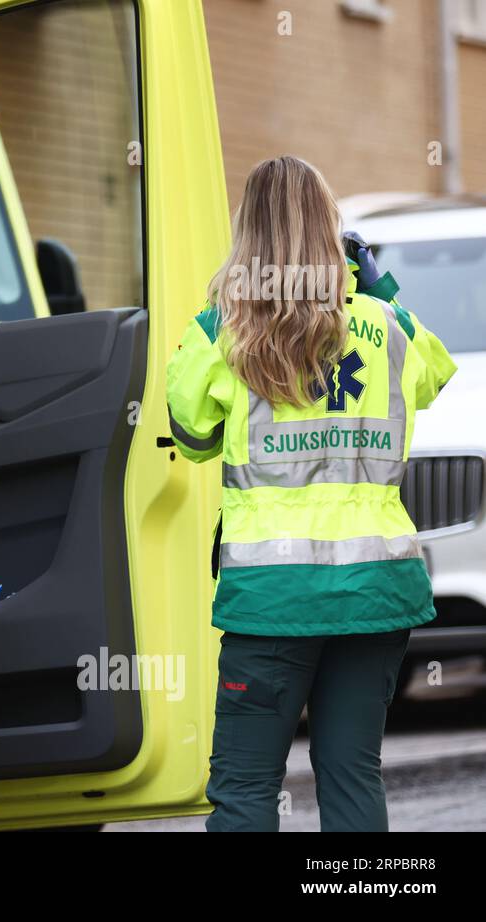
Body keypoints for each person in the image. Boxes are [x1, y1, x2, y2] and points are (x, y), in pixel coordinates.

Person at [167, 156, 457, 832]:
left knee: (244, 791)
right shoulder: (384, 326)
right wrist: (380, 284)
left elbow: (191, 434)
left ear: (249, 236)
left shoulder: (219, 332)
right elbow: (435, 371)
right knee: (352, 777)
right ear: (333, 230)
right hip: (377, 590)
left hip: (271, 598)